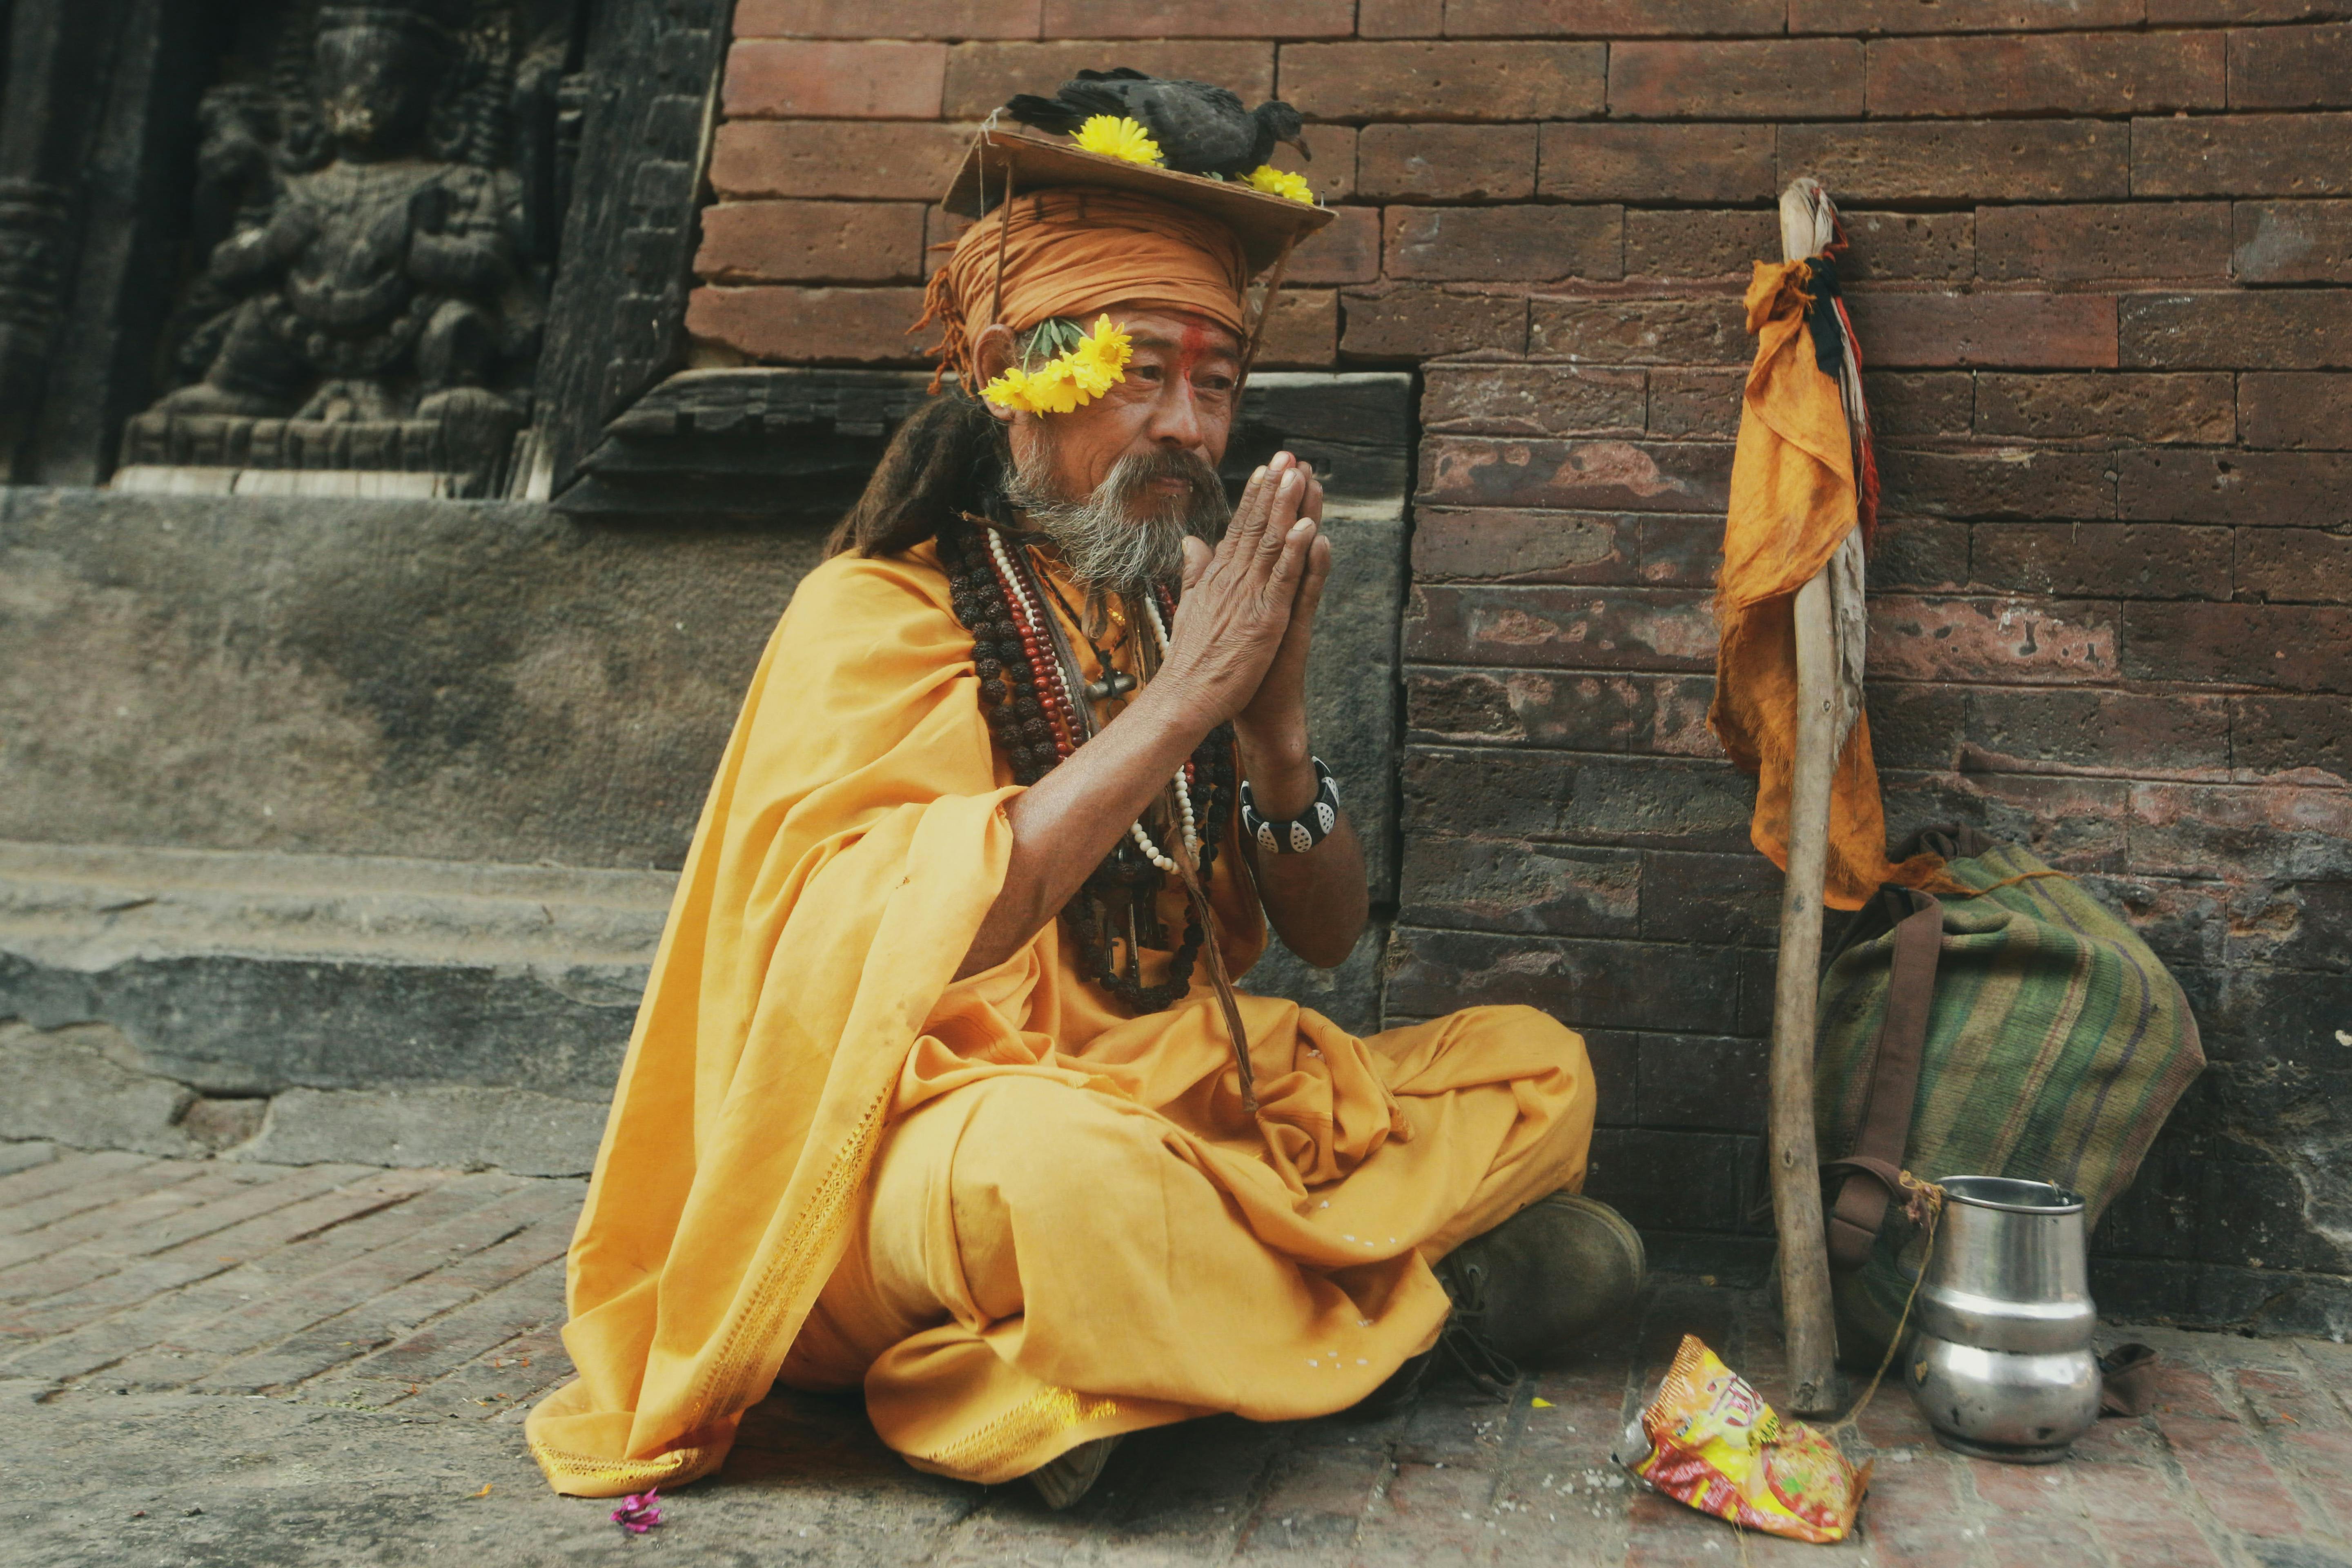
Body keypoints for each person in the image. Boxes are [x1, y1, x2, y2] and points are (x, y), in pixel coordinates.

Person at [526, 124, 1644, 1510]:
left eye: (1217, 383)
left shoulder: (1173, 615)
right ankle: (1413, 1311)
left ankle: (1145, 1365)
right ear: (1017, 382)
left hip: (1192, 1095)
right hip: (934, 1139)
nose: (1186, 425)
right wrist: (1180, 704)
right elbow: (916, 952)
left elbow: (1324, 936)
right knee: (1063, 1185)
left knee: (1536, 1068)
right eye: (1141, 376)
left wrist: (1277, 723)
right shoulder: (872, 617)